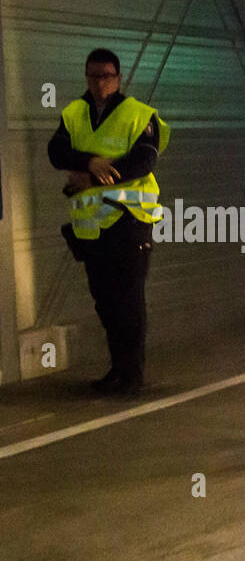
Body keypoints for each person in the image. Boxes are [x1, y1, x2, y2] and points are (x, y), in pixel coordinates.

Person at [47, 48, 170, 395]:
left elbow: (144, 160)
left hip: (130, 221)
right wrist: (89, 161)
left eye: (106, 76)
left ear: (118, 78)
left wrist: (95, 178)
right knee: (105, 300)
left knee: (129, 299)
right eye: (93, 76)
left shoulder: (138, 114)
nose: (99, 82)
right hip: (93, 227)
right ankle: (117, 369)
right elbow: (56, 152)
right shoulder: (74, 113)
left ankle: (132, 374)